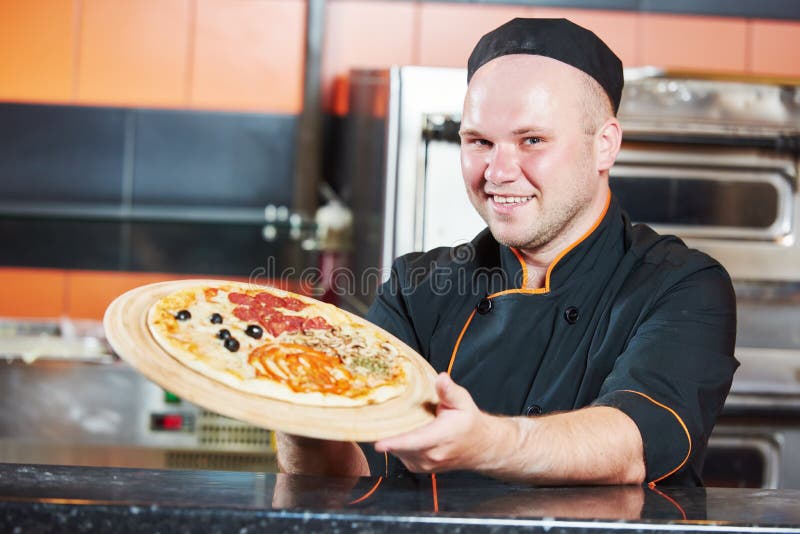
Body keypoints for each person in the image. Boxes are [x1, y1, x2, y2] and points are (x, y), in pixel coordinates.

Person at [277, 18, 738, 487]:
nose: (497, 172)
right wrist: (297, 415)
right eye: (479, 141)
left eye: (531, 140)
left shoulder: (680, 285)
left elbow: (631, 446)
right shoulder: (416, 288)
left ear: (604, 146)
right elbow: (350, 479)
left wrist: (484, 443)